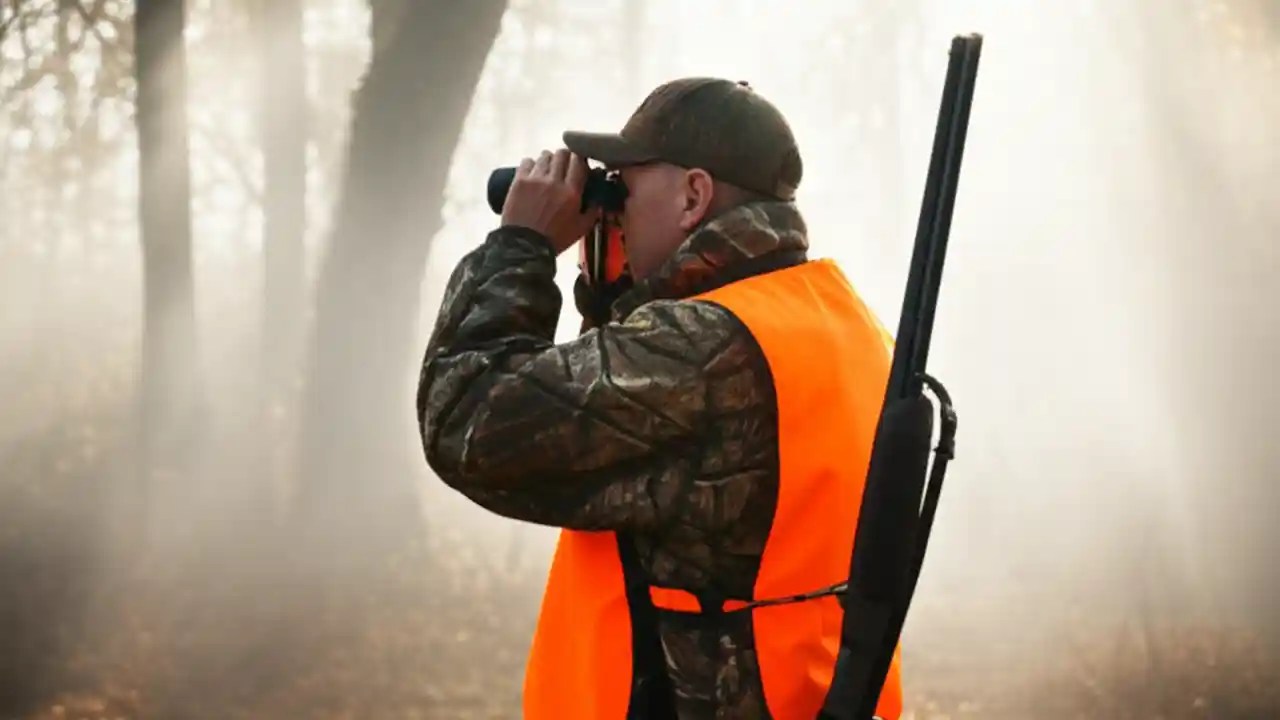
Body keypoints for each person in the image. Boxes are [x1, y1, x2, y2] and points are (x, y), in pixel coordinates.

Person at [417, 77, 903, 720]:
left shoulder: (701, 347)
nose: (609, 206)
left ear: (693, 196)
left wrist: (521, 245)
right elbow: (654, 448)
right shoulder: (838, 322)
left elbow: (468, 419)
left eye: (622, 184)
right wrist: (608, 288)